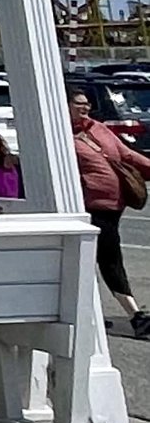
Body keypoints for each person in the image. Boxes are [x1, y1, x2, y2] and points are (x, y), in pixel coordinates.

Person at [73, 88, 150, 340]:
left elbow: (127, 155)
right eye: (78, 104)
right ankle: (136, 316)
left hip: (114, 206)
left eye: (86, 104)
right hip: (89, 208)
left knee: (96, 261)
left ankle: (89, 313)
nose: (84, 108)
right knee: (109, 260)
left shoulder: (98, 128)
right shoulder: (59, 135)